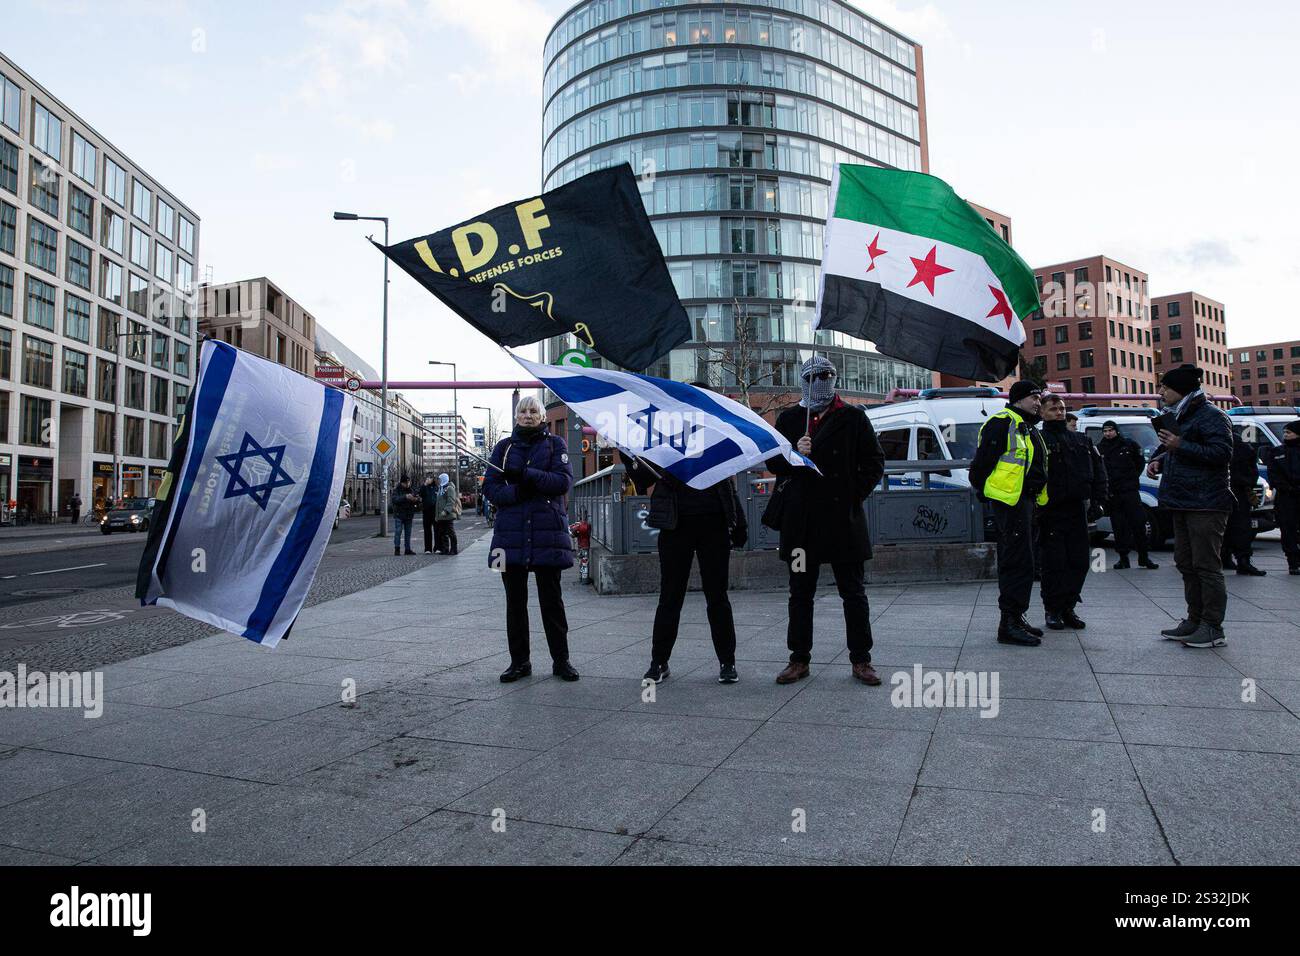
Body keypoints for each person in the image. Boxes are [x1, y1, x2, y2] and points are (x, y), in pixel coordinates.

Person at [766, 356, 886, 686]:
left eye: (828, 374)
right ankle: (798, 658)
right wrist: (794, 451)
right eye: (815, 375)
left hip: (842, 521)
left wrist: (852, 495)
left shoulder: (852, 416)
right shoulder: (790, 418)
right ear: (803, 379)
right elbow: (774, 464)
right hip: (802, 524)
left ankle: (861, 659)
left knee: (854, 592)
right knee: (800, 593)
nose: (822, 380)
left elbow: (874, 462)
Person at [620, 386, 749, 684]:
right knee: (670, 596)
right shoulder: (663, 436)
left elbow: (728, 482)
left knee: (717, 596)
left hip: (713, 524)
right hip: (675, 526)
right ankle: (659, 662)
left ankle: (727, 663)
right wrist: (626, 452)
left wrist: (738, 522)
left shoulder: (716, 432)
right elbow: (641, 476)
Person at [483, 395, 579, 683]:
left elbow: (562, 482)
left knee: (552, 602)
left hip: (547, 533)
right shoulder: (503, 448)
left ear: (542, 416)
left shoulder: (555, 445)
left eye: (533, 410)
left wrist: (527, 475)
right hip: (509, 536)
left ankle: (561, 661)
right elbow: (490, 487)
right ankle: (519, 662)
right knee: (515, 602)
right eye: (523, 411)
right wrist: (516, 493)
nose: (527, 415)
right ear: (516, 416)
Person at [1150, 365, 1234, 648]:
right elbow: (1178, 449)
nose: (1160, 392)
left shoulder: (1211, 415)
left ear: (1181, 389)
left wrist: (1179, 445)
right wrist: (1160, 459)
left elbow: (1221, 454)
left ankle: (1212, 627)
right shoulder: (1181, 415)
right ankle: (1194, 620)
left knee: (1206, 566)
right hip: (1182, 501)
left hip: (1206, 503)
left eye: (1165, 387)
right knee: (1186, 563)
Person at [969, 380, 1049, 646]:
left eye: (1039, 398)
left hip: (1025, 503)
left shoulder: (1027, 427)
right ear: (1018, 399)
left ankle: (1017, 616)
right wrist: (986, 492)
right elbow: (981, 465)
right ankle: (1009, 623)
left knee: (1025, 561)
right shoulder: (1003, 422)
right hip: (1010, 503)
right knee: (1016, 562)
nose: (1038, 402)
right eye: (1033, 398)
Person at [1037, 394, 1107, 630]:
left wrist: (1098, 501)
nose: (1059, 412)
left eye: (1062, 408)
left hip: (1077, 507)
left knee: (1079, 561)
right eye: (1053, 409)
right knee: (1054, 562)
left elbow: (1099, 472)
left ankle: (1069, 607)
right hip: (1050, 510)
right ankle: (1053, 609)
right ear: (1042, 413)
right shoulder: (1039, 439)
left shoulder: (1081, 441)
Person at [1096, 420, 1159, 570]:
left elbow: (1139, 463)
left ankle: (1144, 557)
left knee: (1139, 524)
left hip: (1130, 491)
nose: (1108, 433)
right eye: (1105, 431)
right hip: (1113, 494)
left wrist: (1131, 479)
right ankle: (1123, 558)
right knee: (1119, 527)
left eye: (1110, 430)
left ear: (1116, 431)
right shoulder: (1100, 448)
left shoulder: (1128, 445)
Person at [1223, 430, 1266, 575]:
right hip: (1239, 491)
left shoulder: (1211, 441)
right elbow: (1251, 471)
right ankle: (1242, 561)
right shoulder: (1241, 444)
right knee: (1241, 527)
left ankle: (1228, 558)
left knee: (1225, 527)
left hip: (1220, 491)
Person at [1264, 420, 1300, 574]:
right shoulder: (1277, 452)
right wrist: (1287, 488)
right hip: (1286, 499)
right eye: (1285, 432)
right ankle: (1293, 562)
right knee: (1288, 530)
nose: (1285, 435)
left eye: (1289, 432)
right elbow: (1274, 475)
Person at [390, 476, 419, 555]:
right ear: (402, 483)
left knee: (408, 533)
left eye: (409, 482)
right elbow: (395, 499)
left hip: (409, 514)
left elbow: (417, 499)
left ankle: (407, 549)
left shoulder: (411, 490)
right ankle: (397, 549)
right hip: (399, 514)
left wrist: (415, 500)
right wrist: (405, 497)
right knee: (398, 532)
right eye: (406, 483)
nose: (408, 484)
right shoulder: (397, 490)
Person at [434, 473, 461, 554]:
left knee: (450, 532)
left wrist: (446, 511)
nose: (439, 481)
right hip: (441, 516)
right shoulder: (441, 488)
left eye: (440, 479)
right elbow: (438, 504)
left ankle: (454, 549)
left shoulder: (449, 488)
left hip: (448, 515)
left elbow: (451, 501)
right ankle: (445, 549)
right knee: (443, 533)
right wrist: (437, 515)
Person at [420, 476, 439, 554]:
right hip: (426, 511)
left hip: (435, 511)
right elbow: (420, 493)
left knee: (437, 530)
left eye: (430, 478)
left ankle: (437, 547)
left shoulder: (436, 487)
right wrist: (424, 484)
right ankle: (428, 548)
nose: (429, 479)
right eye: (427, 478)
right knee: (427, 530)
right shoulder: (424, 487)